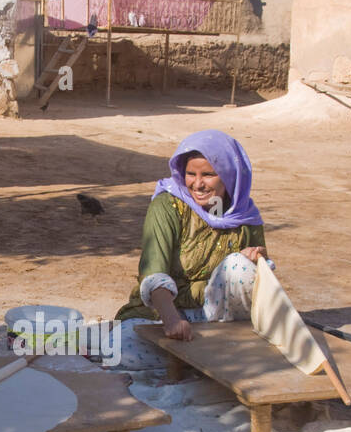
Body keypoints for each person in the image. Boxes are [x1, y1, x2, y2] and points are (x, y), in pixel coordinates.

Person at [115, 130, 269, 355]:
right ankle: (216, 353)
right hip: (165, 311)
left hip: (219, 317)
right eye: (190, 174)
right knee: (125, 349)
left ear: (229, 175)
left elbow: (261, 279)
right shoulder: (167, 206)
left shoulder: (244, 214)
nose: (198, 184)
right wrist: (172, 322)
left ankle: (225, 346)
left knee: (241, 266)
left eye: (208, 174)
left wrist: (257, 259)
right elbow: (153, 273)